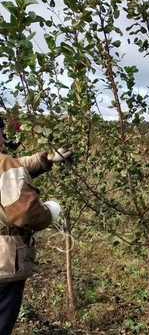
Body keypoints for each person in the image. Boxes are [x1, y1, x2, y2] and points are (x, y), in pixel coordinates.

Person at [0, 118, 72, 334]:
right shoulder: (4, 164)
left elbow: (14, 168)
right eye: (1, 132)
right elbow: (26, 213)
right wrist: (50, 212)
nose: (4, 138)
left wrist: (45, 159)